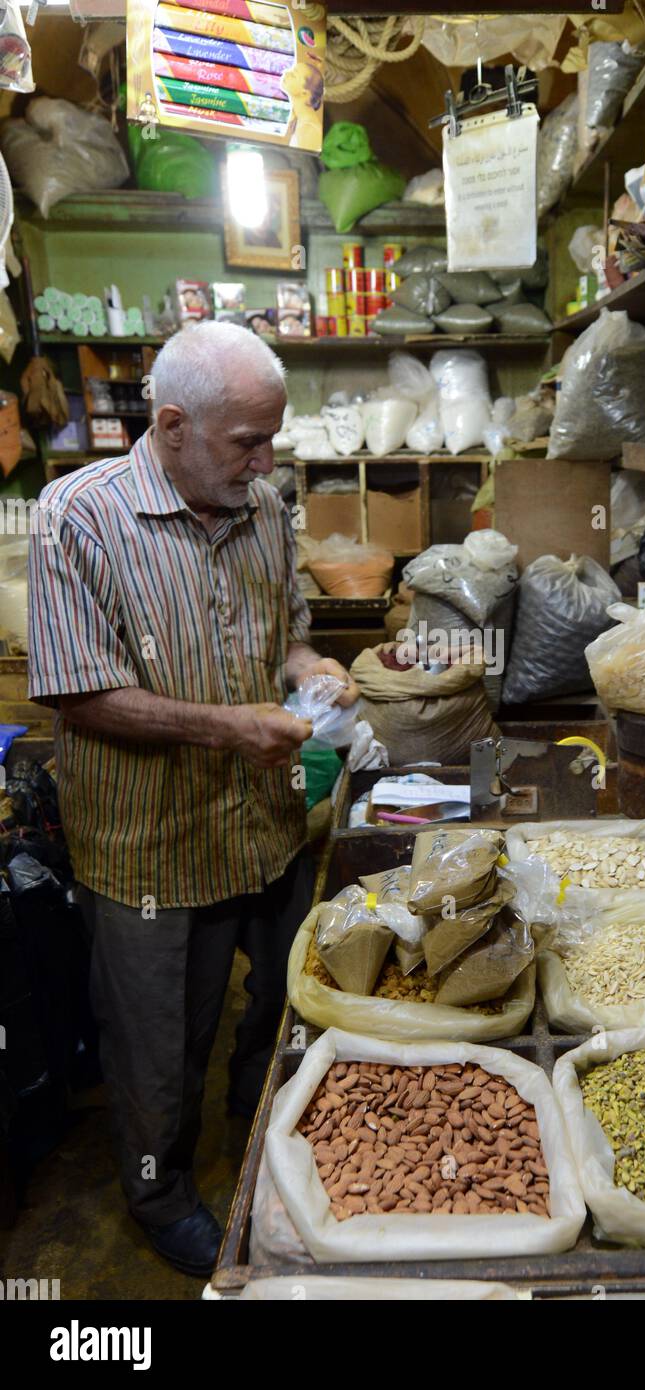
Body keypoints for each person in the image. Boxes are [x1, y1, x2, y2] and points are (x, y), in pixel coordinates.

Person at [27, 321, 358, 1277]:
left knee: (277, 1013)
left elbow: (285, 633)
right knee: (160, 1042)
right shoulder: (76, 515)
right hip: (149, 844)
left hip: (263, 825)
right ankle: (158, 1192)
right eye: (244, 442)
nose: (264, 462)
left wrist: (314, 669)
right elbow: (79, 692)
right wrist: (232, 728)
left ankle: (262, 1145)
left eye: (272, 439)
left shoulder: (262, 508)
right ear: (171, 424)